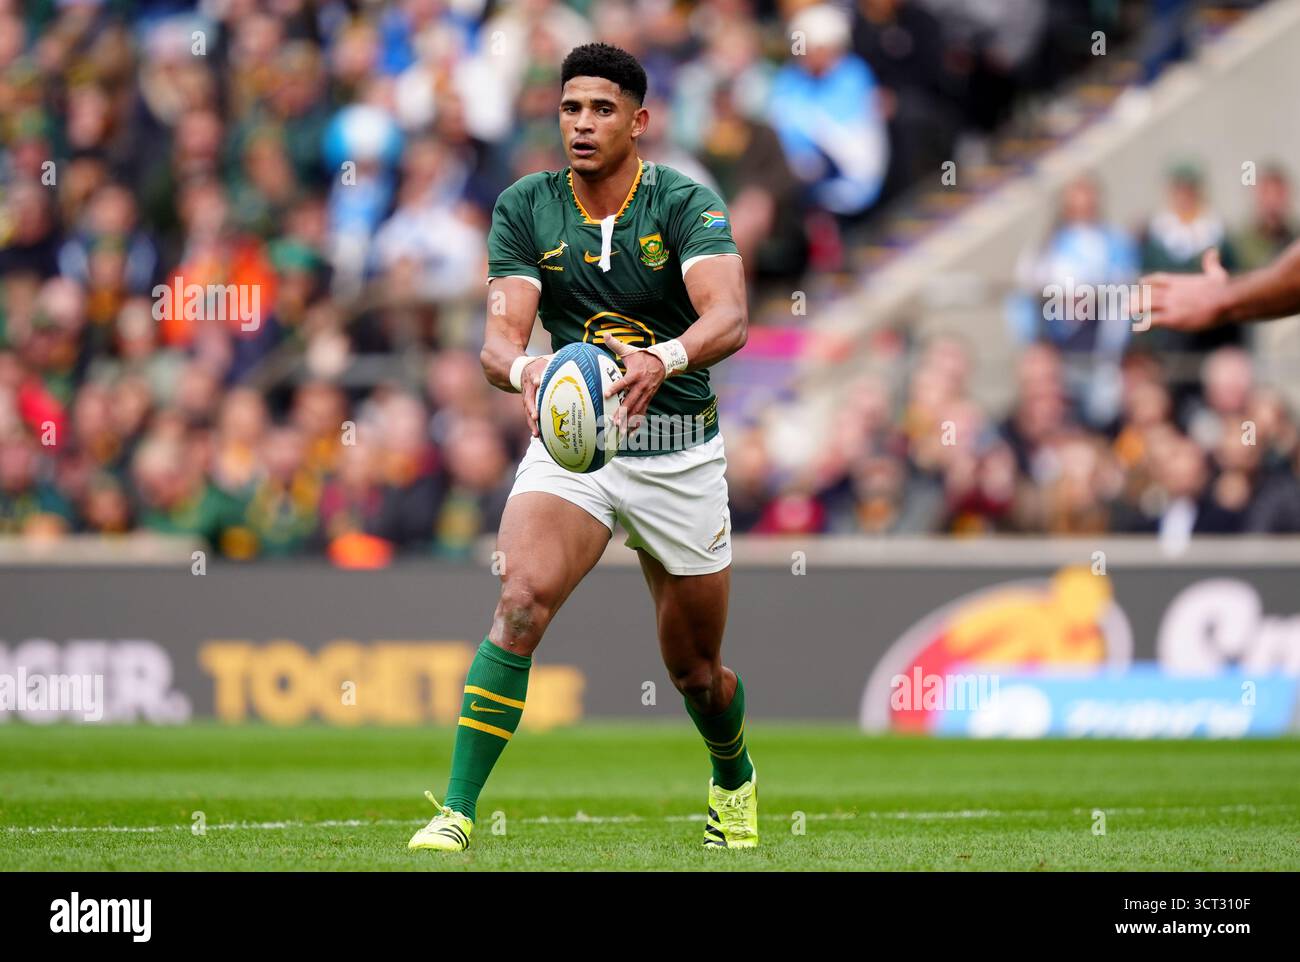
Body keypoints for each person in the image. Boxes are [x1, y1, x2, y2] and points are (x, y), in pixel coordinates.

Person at [408, 43, 757, 853]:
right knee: (520, 602)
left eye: (602, 109)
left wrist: (661, 359)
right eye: (571, 108)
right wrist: (532, 371)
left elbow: (729, 317)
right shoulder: (526, 206)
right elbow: (498, 344)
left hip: (678, 450)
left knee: (697, 675)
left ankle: (733, 777)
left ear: (640, 121)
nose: (583, 124)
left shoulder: (684, 202)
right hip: (578, 451)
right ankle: (456, 813)